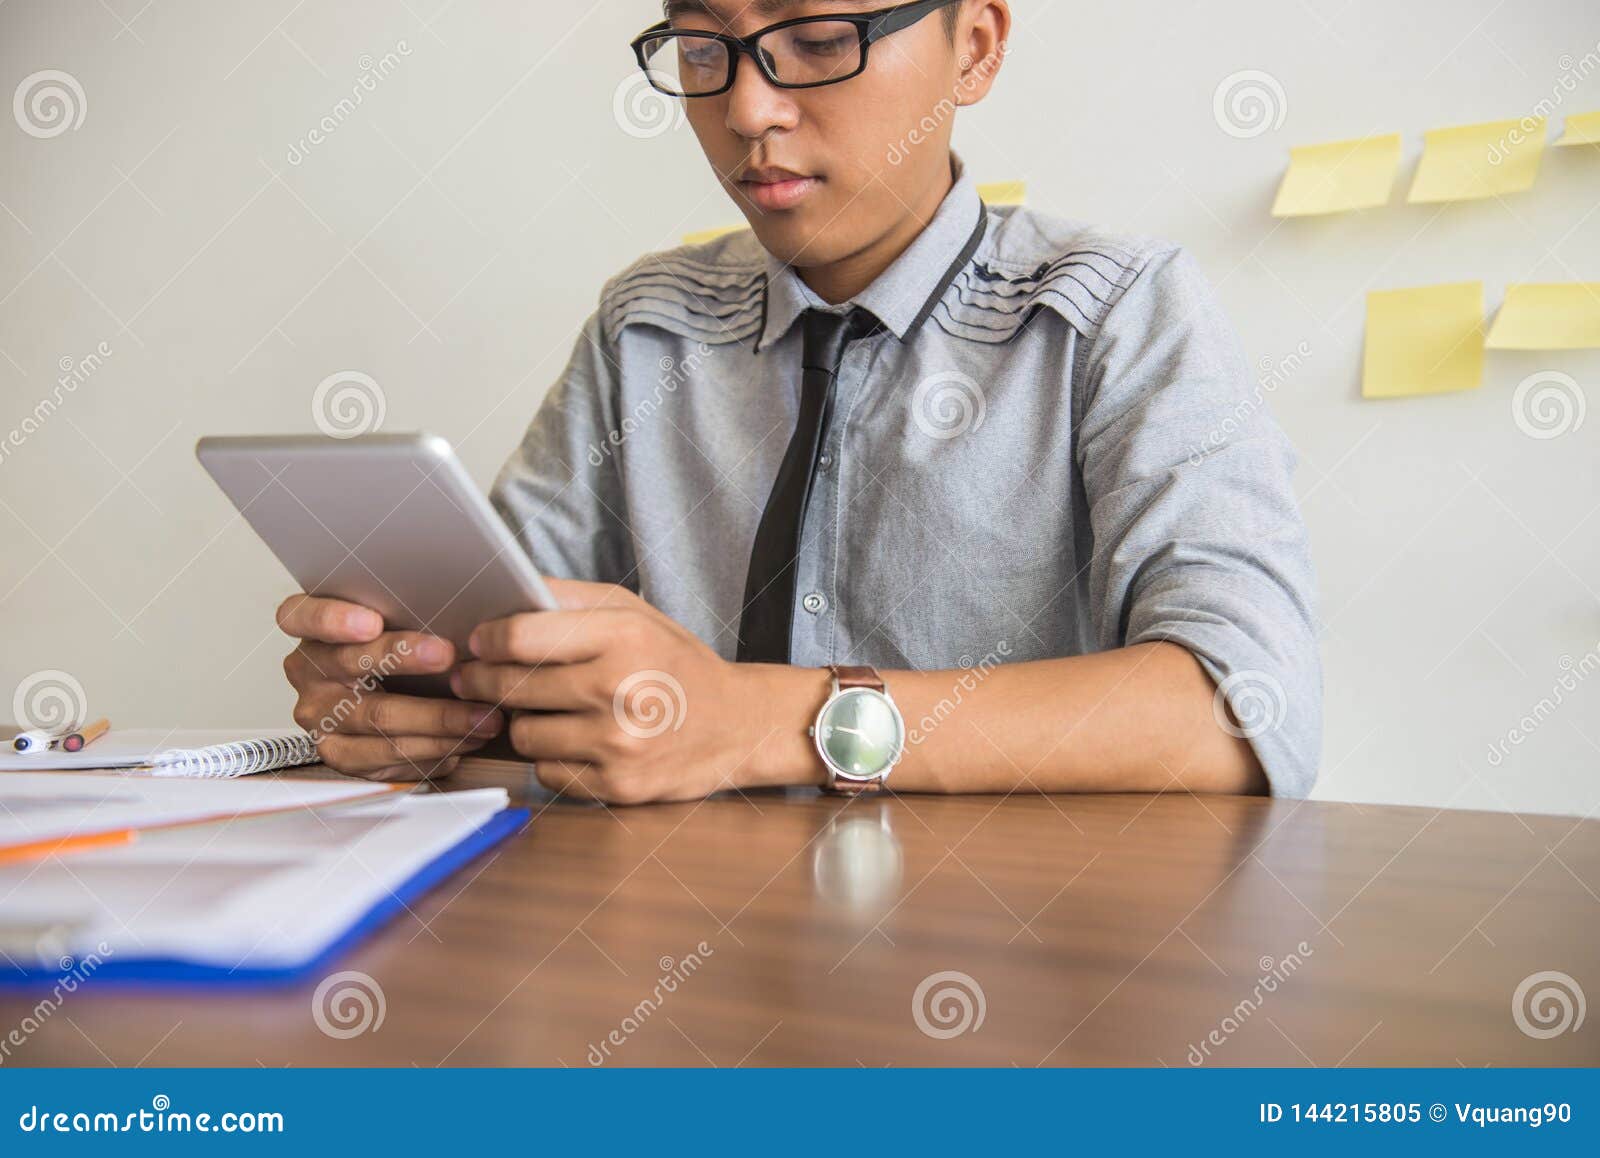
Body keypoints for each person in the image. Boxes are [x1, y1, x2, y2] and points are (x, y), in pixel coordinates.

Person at [276, 0, 1321, 804]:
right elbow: (516, 637)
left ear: (974, 47)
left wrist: (764, 722)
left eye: (818, 41)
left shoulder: (1116, 311)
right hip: (687, 944)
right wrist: (416, 693)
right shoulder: (646, 328)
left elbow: (1243, 707)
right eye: (702, 50)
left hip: (1010, 955)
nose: (747, 111)